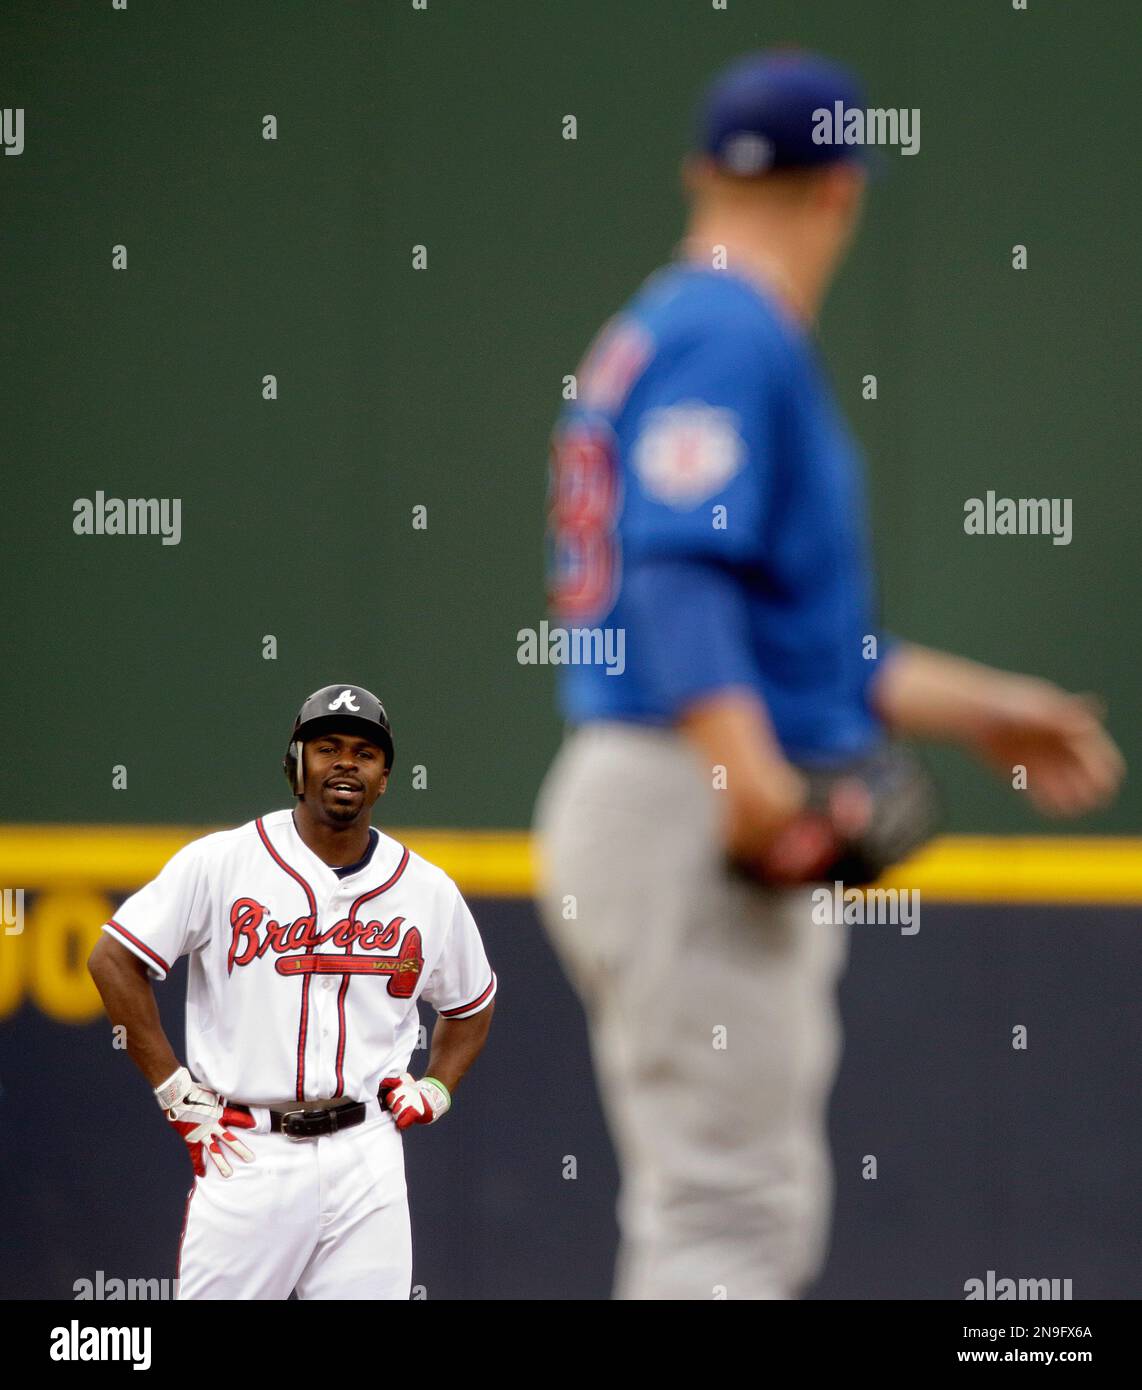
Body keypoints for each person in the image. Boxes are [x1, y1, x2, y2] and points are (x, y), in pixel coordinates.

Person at [534, 51, 1123, 1300]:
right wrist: (747, 774)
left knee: (724, 1209)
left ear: (698, 172)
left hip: (645, 786)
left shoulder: (662, 326)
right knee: (727, 1223)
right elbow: (678, 574)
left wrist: (975, 706)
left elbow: (774, 633)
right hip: (681, 798)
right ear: (841, 192)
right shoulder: (730, 328)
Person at [87, 683, 496, 1300]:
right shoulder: (223, 862)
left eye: (365, 752)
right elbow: (113, 958)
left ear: (384, 777)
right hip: (248, 1150)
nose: (346, 763)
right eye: (327, 746)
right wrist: (173, 1089)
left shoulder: (426, 889)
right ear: (295, 765)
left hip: (367, 1155)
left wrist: (437, 1085)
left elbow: (472, 1004)